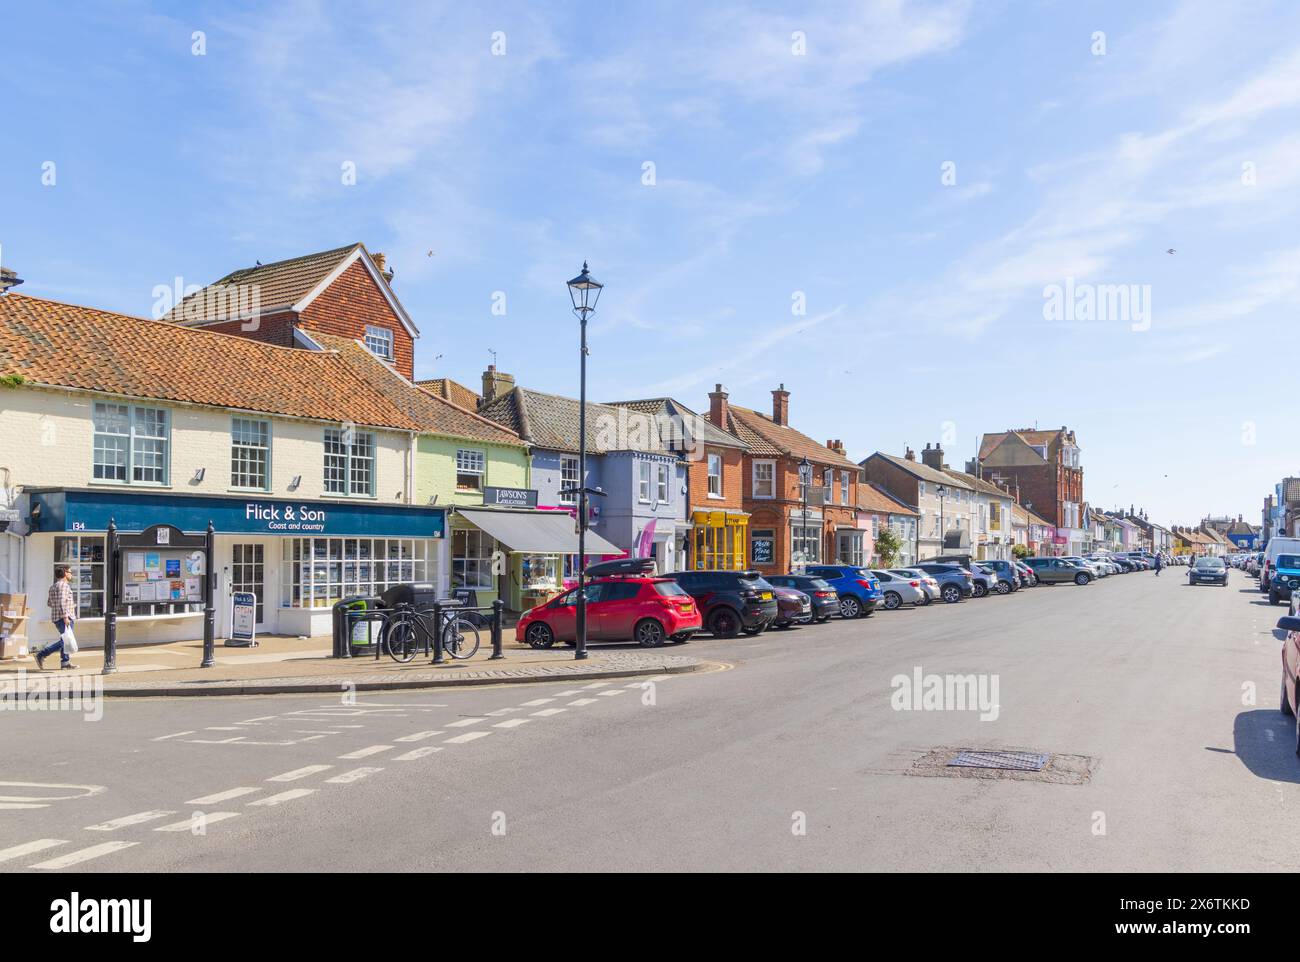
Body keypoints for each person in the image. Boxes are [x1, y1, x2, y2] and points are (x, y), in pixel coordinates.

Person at [35, 566, 78, 670]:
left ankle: (65, 663)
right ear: (65, 573)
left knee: (66, 640)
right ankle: (41, 654)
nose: (71, 574)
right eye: (70, 572)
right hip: (64, 618)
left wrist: (69, 606)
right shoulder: (64, 586)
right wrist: (65, 616)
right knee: (66, 640)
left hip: (57, 617)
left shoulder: (53, 586)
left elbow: (49, 603)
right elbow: (62, 601)